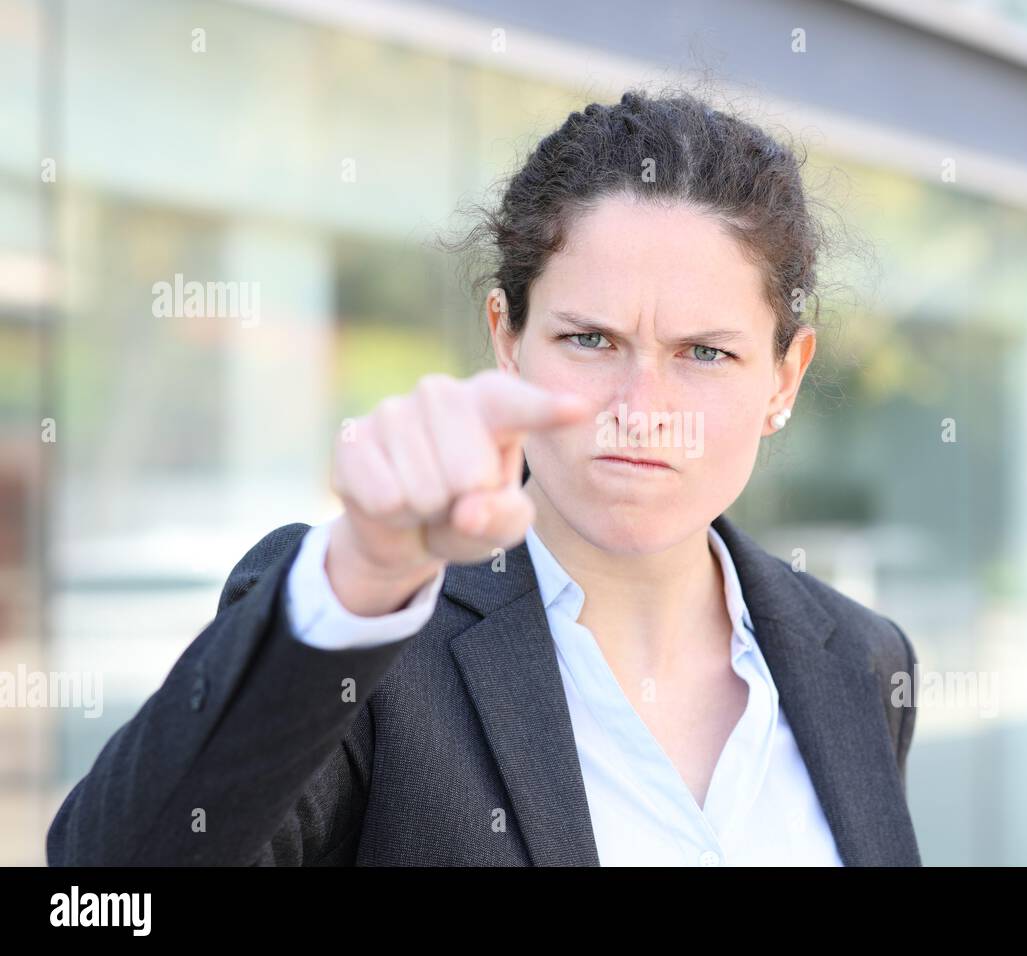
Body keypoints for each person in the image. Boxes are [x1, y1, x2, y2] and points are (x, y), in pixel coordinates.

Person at [46, 87, 921, 866]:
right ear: (507, 338)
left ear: (784, 376)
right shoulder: (374, 634)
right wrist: (361, 580)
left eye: (705, 352)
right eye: (590, 339)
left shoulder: (862, 663)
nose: (641, 405)